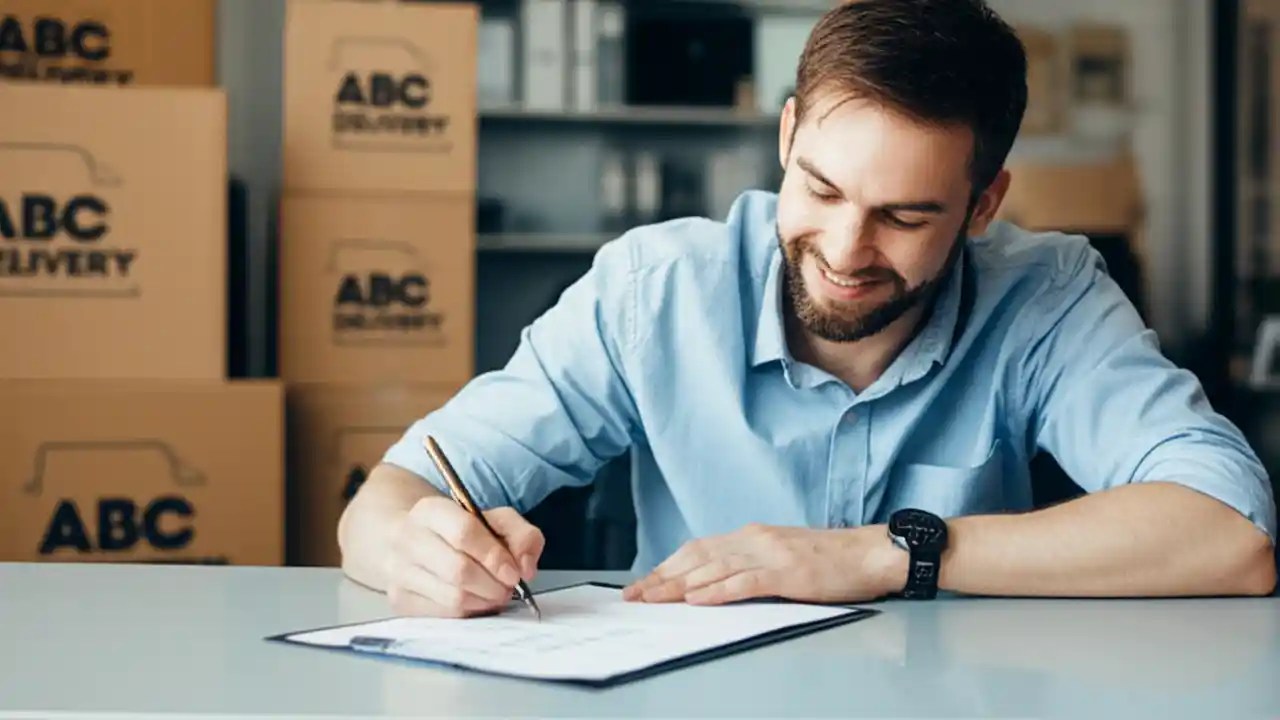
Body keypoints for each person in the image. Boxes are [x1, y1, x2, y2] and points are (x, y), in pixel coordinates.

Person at [338, 0, 1277, 617]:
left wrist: (887, 556)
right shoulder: (652, 291)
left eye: (904, 217)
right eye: (820, 189)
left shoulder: (1047, 297)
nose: (844, 251)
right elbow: (386, 503)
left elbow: (1232, 534)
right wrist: (422, 553)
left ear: (985, 204)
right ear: (789, 135)